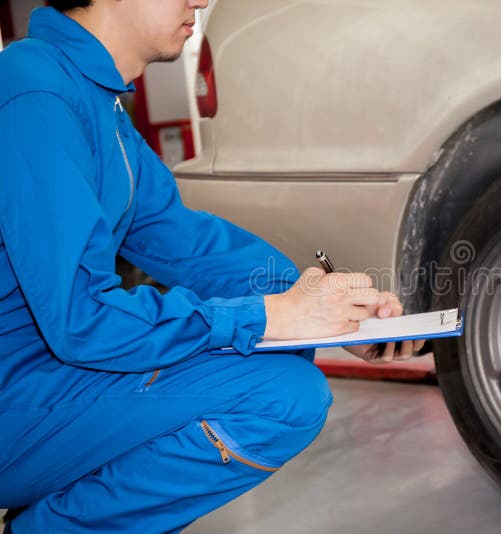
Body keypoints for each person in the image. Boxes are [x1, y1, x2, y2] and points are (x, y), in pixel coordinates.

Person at [0, 1, 423, 531]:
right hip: (17, 395)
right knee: (279, 398)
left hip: (43, 381)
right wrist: (265, 318)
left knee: (282, 380)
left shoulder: (92, 97)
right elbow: (80, 317)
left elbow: (186, 241)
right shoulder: (35, 92)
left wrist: (324, 308)